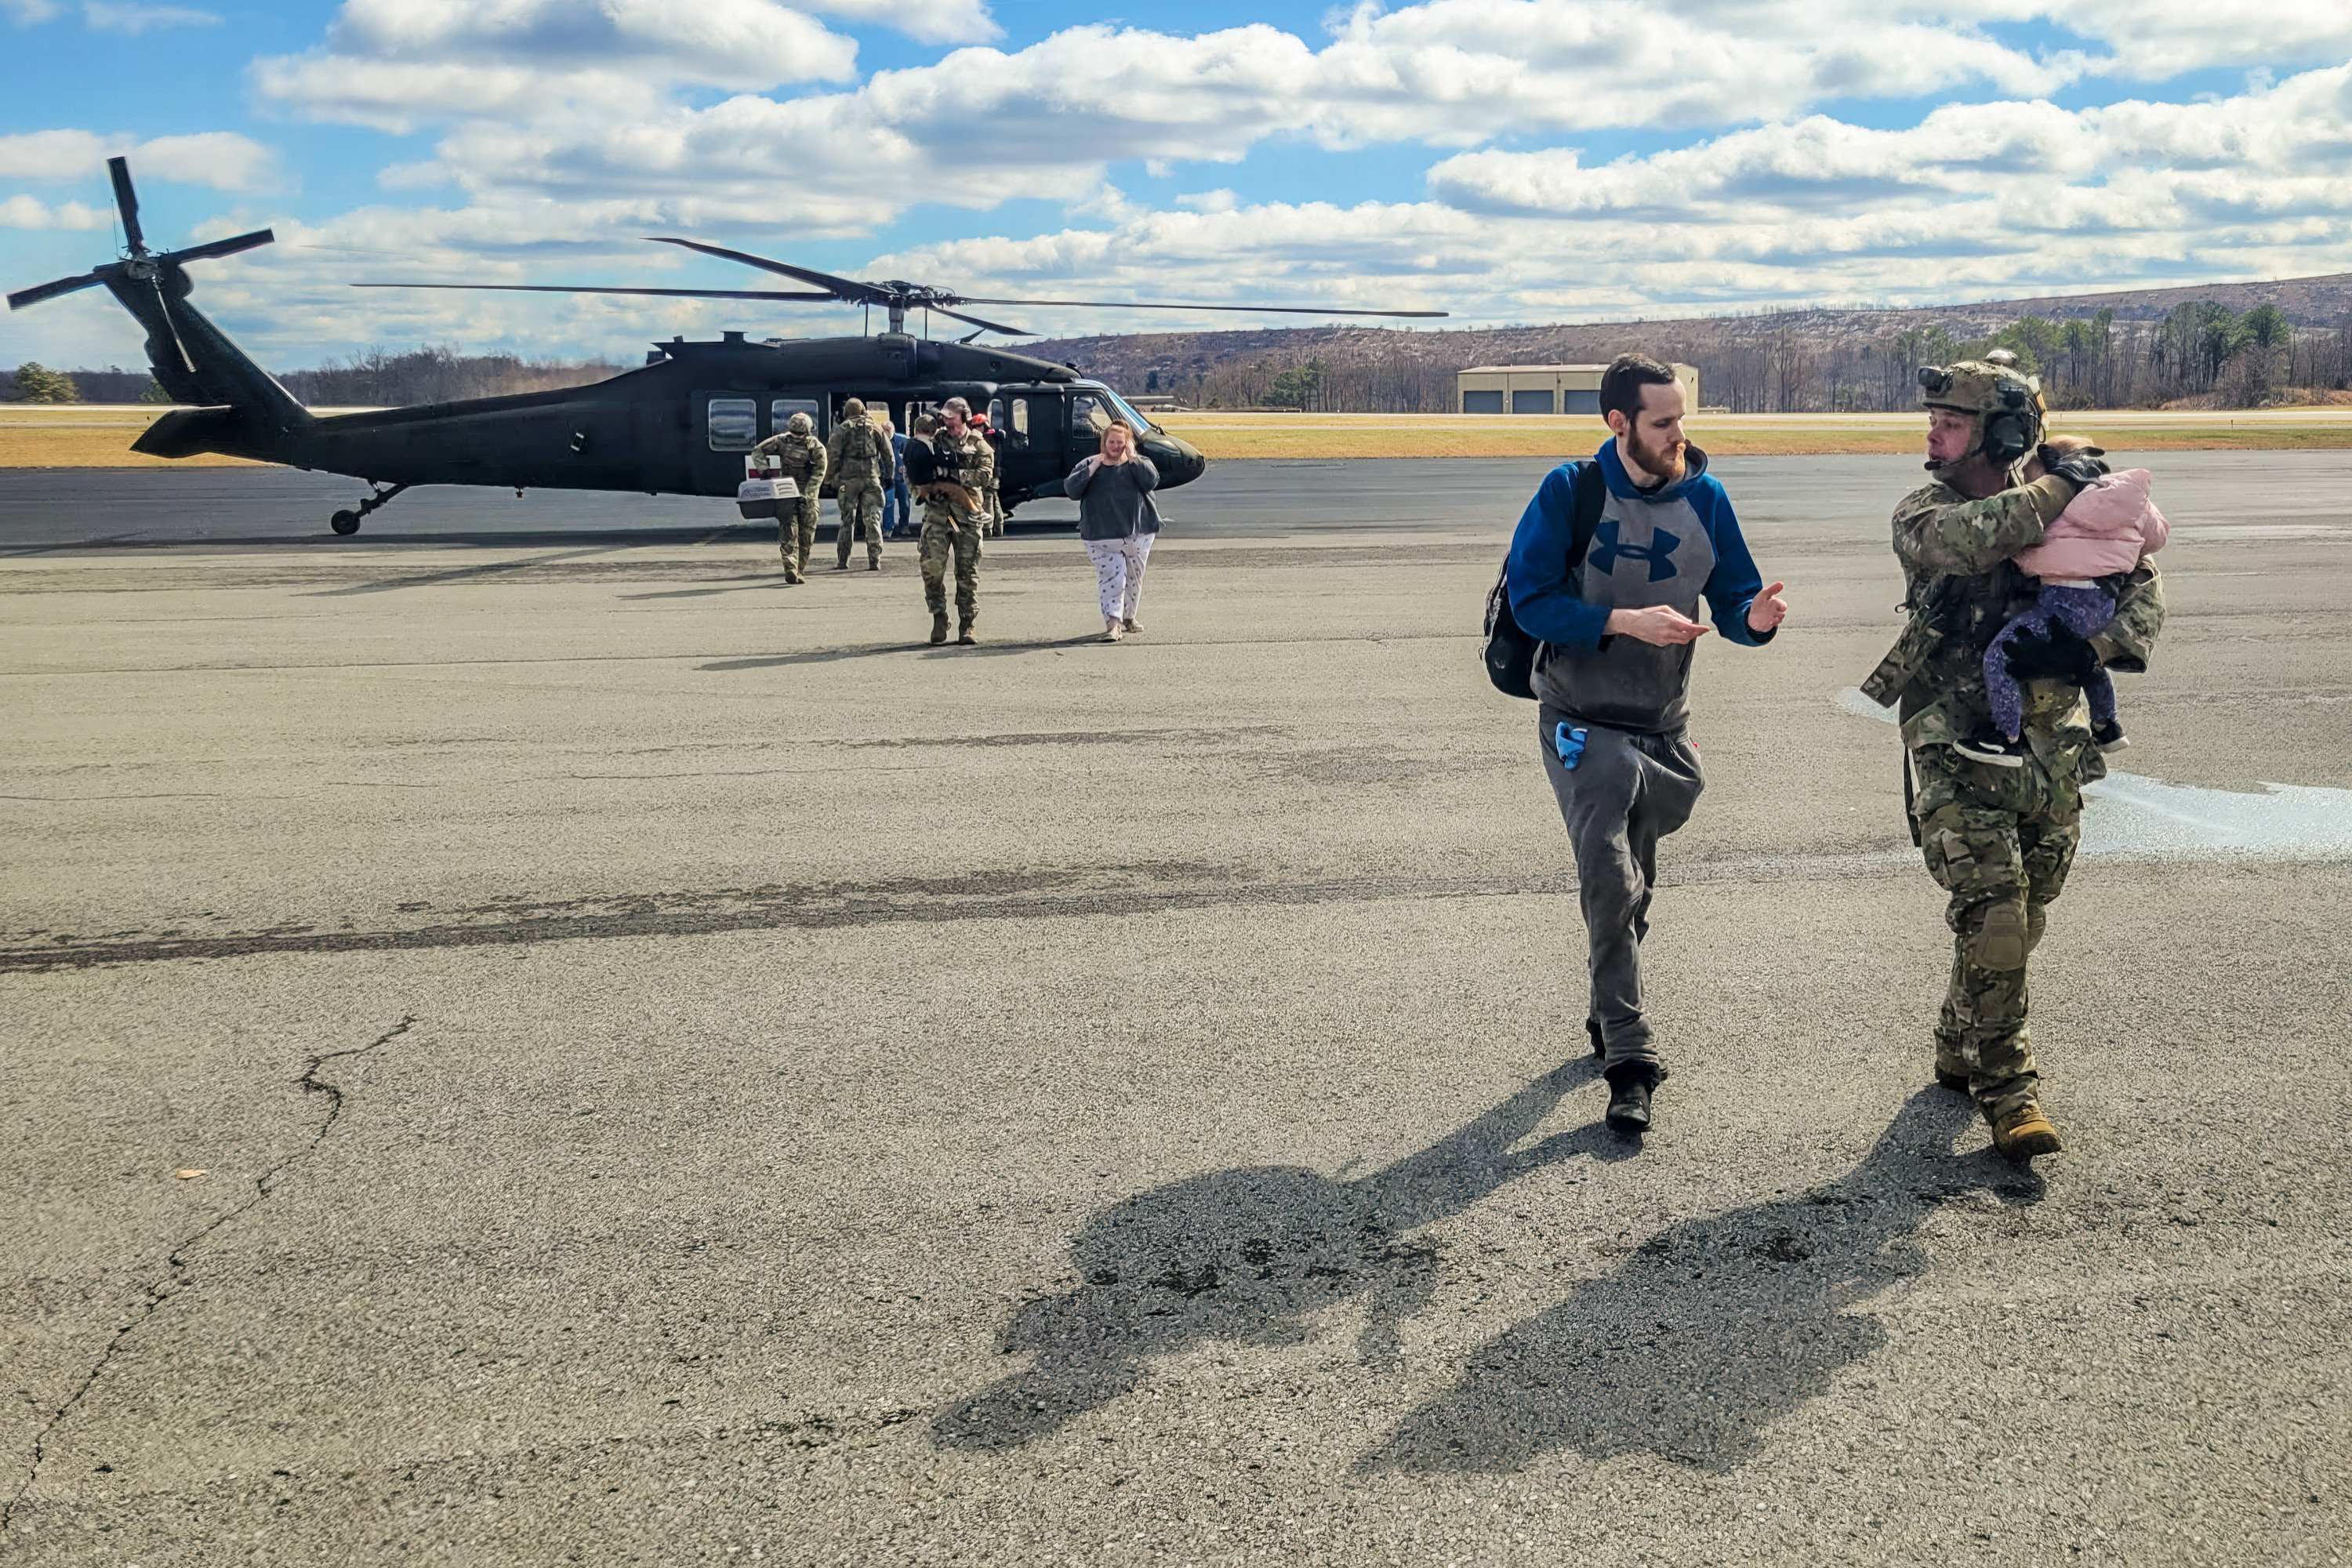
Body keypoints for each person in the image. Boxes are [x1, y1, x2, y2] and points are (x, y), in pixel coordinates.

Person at [1860, 357, 2165, 1161]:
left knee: (2026, 915)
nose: (1932, 434)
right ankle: (2010, 1087)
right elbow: (1976, 539)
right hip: (1956, 743)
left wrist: (2092, 640)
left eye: (1951, 423)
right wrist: (2067, 483)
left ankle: (1962, 1040)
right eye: (1934, 420)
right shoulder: (1926, 509)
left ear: (2002, 432)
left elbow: (2141, 586)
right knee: (1995, 911)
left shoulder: (2085, 519)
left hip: (2050, 749)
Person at [1504, 353, 1788, 1135]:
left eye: (1683, 418)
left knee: (1634, 887)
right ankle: (1630, 1056)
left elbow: (1732, 596)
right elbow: (1532, 600)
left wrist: (1754, 620)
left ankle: (1607, 997)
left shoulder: (1707, 496)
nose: (1679, 435)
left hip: (1662, 725)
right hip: (1580, 717)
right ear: (1618, 422)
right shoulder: (1572, 491)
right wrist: (1625, 621)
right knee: (1609, 872)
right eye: (1663, 422)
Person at [1957, 435, 2169, 764]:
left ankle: (2005, 737)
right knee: (2087, 662)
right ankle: (2108, 724)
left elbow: (2024, 550)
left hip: (2059, 604)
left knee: (2000, 657)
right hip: (2100, 606)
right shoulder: (2125, 503)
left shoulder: (2054, 508)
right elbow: (2157, 536)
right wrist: (2118, 553)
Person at [1065, 416, 1160, 642]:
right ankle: (1113, 625)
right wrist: (1093, 467)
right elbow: (1071, 489)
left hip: (1138, 532)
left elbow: (1151, 481)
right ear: (1104, 443)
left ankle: (1128, 617)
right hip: (1102, 536)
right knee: (1113, 578)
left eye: (1121, 442)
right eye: (1112, 442)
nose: (1116, 447)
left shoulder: (1139, 464)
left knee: (1134, 577)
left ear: (1129, 443)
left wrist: (1133, 458)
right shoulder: (1090, 464)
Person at [905, 401, 989, 644]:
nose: (947, 422)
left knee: (967, 573)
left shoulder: (978, 444)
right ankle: (939, 617)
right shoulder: (935, 439)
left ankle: (967, 624)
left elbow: (985, 475)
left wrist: (957, 475)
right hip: (937, 517)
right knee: (931, 571)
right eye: (944, 417)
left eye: (951, 418)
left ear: (964, 418)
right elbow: (913, 465)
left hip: (966, 520)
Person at [750, 411, 826, 585]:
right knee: (797, 535)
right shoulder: (798, 443)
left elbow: (757, 451)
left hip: (796, 495)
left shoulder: (798, 444)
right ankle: (795, 570)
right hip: (797, 496)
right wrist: (765, 471)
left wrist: (764, 471)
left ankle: (795, 569)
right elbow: (758, 451)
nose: (797, 436)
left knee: (797, 535)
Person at [825, 397, 896, 572]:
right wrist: (889, 476)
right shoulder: (876, 429)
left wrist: (828, 481)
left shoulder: (841, 430)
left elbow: (832, 457)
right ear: (863, 410)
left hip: (848, 482)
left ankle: (843, 561)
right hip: (872, 480)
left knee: (847, 521)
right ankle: (875, 561)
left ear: (846, 412)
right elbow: (889, 457)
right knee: (873, 519)